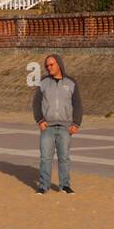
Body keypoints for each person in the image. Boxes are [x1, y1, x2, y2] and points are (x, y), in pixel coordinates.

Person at [32, 53, 82, 195]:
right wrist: (40, 120)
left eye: (51, 64)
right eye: (47, 65)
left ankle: (65, 185)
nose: (48, 67)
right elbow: (36, 103)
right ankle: (43, 186)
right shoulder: (43, 82)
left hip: (66, 127)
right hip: (47, 126)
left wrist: (76, 123)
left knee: (64, 158)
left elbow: (77, 104)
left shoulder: (71, 83)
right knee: (45, 157)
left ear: (59, 64)